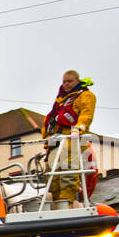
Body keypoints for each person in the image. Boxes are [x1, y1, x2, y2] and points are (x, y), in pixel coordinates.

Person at [41, 70, 98, 206]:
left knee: (68, 175)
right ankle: (56, 206)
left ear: (77, 81)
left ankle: (67, 204)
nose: (66, 84)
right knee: (52, 177)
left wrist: (78, 129)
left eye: (69, 81)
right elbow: (49, 121)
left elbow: (86, 114)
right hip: (57, 143)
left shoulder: (85, 96)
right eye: (64, 82)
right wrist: (47, 142)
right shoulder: (60, 101)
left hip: (73, 141)